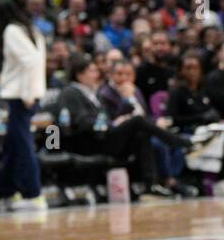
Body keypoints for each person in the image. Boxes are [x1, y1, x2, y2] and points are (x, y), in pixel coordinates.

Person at [54, 55, 187, 198]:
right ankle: (179, 142)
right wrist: (109, 123)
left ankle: (150, 185)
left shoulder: (93, 94)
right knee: (137, 121)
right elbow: (81, 121)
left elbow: (104, 117)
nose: (96, 74)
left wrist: (117, 121)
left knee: (141, 135)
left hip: (103, 136)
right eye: (91, 71)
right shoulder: (71, 92)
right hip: (87, 141)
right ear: (79, 75)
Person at [168, 51, 224, 195]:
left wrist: (219, 120)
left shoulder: (203, 90)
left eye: (195, 68)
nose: (192, 71)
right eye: (188, 68)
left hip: (210, 127)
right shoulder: (177, 92)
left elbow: (212, 113)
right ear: (181, 70)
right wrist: (201, 117)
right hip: (190, 130)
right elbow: (172, 119)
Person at [0, 0, 47, 211]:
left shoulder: (11, 31)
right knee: (12, 146)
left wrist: (27, 93)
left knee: (23, 145)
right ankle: (8, 192)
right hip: (28, 94)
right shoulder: (30, 29)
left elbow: (31, 61)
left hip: (19, 97)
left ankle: (34, 194)